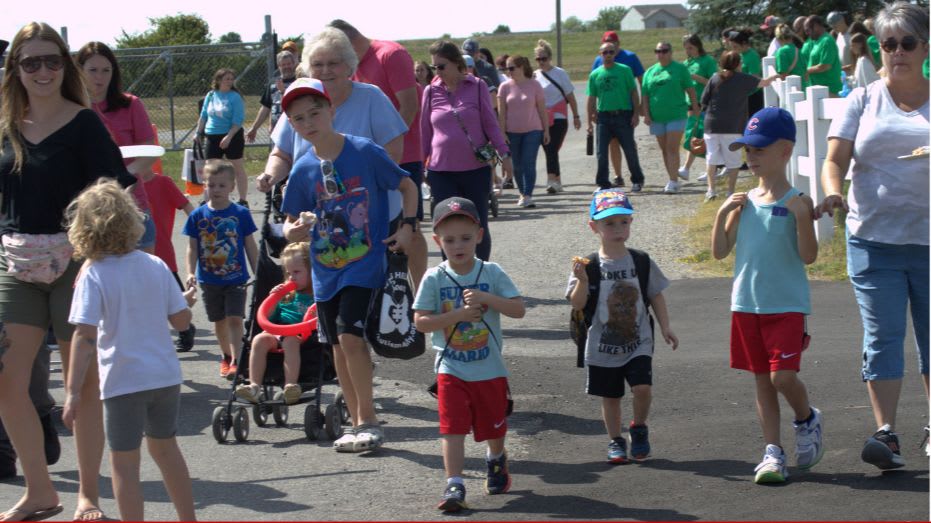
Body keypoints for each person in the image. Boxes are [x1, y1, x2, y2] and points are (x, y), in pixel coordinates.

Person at [0, 22, 135, 523]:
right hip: (15, 264)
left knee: (85, 385)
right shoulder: (5, 125)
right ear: (15, 69)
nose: (42, 71)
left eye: (52, 61)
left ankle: (87, 496)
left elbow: (115, 191)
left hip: (75, 265)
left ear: (65, 66)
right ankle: (40, 492)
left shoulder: (84, 124)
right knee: (7, 382)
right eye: (30, 62)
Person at [817, 1, 929, 469]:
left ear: (924, 47)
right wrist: (833, 191)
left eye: (908, 42)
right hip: (873, 241)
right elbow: (834, 160)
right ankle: (887, 434)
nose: (898, 51)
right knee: (882, 337)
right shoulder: (861, 100)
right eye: (889, 44)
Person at [279, 77, 418, 453]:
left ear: (331, 111)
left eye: (314, 113)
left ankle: (369, 420)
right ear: (291, 125)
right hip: (325, 272)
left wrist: (407, 227)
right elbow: (288, 223)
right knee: (337, 347)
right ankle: (356, 422)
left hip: (365, 264)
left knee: (351, 337)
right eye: (299, 119)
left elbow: (407, 186)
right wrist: (293, 230)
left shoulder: (364, 151)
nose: (309, 122)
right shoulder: (303, 169)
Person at [63, 180, 197, 521]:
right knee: (166, 450)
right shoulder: (155, 264)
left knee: (124, 462)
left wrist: (73, 392)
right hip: (164, 377)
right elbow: (181, 322)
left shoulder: (93, 274)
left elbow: (84, 336)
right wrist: (186, 301)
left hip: (123, 381)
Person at [711, 107, 823, 484]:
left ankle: (807, 418)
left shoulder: (798, 201)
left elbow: (809, 256)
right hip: (746, 304)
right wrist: (721, 214)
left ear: (785, 151)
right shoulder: (743, 201)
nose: (752, 156)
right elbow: (719, 251)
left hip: (786, 305)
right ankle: (773, 451)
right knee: (762, 380)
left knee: (782, 378)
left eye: (760, 148)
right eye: (748, 149)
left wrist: (802, 217)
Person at [413, 196, 525, 512]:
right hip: (450, 367)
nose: (458, 245)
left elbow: (518, 309)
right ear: (437, 241)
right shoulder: (434, 277)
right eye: (449, 240)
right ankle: (454, 484)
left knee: (493, 426)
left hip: (489, 367)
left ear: (479, 235)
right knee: (452, 427)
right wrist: (458, 315)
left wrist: (487, 298)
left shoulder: (491, 272)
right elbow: (421, 322)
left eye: (465, 237)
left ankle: (496, 458)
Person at [567, 189, 678, 464]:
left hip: (639, 340)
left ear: (631, 222)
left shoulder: (640, 260)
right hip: (602, 344)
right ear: (594, 226)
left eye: (623, 222)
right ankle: (615, 440)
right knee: (611, 396)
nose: (618, 228)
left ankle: (638, 428)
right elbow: (577, 303)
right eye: (609, 223)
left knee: (642, 388)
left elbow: (655, 295)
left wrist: (665, 327)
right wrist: (582, 281)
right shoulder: (589, 265)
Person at [328, 19, 430, 293]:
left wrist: (387, 151)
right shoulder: (354, 65)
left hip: (402, 156)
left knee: (410, 227)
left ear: (346, 42)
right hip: (368, 163)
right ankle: (387, 291)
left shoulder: (390, 54)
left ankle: (423, 292)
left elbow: (410, 106)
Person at [421, 41, 512, 261]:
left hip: (475, 169)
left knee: (477, 224)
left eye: (441, 66)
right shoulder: (430, 91)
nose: (437, 72)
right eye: (434, 67)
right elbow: (424, 132)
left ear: (456, 63)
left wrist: (505, 154)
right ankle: (451, 274)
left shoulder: (477, 85)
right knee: (446, 227)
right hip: (441, 172)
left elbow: (490, 124)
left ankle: (481, 273)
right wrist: (420, 166)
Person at [76, 42, 158, 255]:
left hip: (132, 205)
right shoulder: (71, 109)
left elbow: (150, 151)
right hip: (87, 211)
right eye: (93, 70)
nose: (100, 77)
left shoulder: (130, 104)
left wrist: (122, 178)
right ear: (79, 71)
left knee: (143, 272)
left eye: (106, 70)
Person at [183, 160, 258, 380]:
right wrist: (190, 272)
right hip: (209, 280)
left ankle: (237, 361)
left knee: (235, 318)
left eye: (221, 185)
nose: (216, 190)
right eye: (211, 185)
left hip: (236, 278)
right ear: (204, 185)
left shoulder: (241, 213)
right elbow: (192, 248)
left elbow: (250, 245)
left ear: (232, 187)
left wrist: (258, 270)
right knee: (219, 321)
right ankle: (226, 356)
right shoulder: (198, 216)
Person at [235, 241, 312, 406]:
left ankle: (290, 385)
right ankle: (254, 387)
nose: (291, 277)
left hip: (303, 334)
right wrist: (274, 299)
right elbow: (268, 318)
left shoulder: (318, 296)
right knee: (258, 340)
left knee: (290, 341)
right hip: (278, 329)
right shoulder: (287, 294)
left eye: (297, 272)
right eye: (288, 273)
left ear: (312, 272)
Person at [700, 51, 779, 201]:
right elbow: (763, 83)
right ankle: (730, 191)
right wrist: (775, 76)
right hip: (733, 126)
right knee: (733, 161)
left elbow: (704, 100)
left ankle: (711, 190)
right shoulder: (743, 78)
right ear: (737, 64)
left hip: (712, 125)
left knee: (711, 158)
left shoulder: (714, 78)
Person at [143, 171, 196, 351]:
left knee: (176, 294)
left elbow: (187, 206)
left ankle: (185, 329)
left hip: (162, 250)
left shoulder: (163, 182)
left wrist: (203, 227)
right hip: (136, 252)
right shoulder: (124, 184)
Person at [641, 41, 699, 194]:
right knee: (664, 150)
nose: (661, 54)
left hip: (676, 114)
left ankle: (673, 181)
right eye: (657, 51)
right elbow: (645, 95)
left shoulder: (680, 69)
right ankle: (673, 178)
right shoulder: (650, 71)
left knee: (671, 147)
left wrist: (695, 108)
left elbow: (690, 89)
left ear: (671, 52)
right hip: (657, 116)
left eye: (664, 51)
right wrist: (646, 114)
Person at [587, 41, 645, 193]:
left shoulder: (625, 70)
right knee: (601, 153)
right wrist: (589, 120)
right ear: (600, 55)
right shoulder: (595, 74)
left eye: (611, 52)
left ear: (615, 53)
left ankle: (637, 180)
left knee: (629, 150)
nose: (608, 55)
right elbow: (591, 97)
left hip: (623, 115)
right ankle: (603, 183)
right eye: (605, 52)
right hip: (603, 117)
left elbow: (633, 92)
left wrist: (636, 113)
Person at [498, 55, 548, 209]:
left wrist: (546, 130)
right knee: (517, 166)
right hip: (512, 132)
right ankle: (522, 193)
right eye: (506, 68)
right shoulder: (504, 87)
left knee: (528, 163)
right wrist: (502, 133)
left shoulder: (535, 85)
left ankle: (528, 195)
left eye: (511, 68)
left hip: (533, 130)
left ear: (521, 67)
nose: (508, 71)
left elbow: (542, 109)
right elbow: (501, 113)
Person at [194, 68, 249, 205]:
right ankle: (208, 200)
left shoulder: (235, 97)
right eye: (226, 79)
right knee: (210, 168)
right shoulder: (211, 95)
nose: (230, 82)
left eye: (231, 79)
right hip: (212, 135)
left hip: (232, 135)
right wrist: (198, 133)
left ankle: (243, 200)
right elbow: (203, 116)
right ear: (218, 80)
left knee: (237, 167)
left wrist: (229, 137)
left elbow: (238, 120)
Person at [533, 39, 580, 194]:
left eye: (544, 58)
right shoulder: (534, 76)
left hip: (559, 116)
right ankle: (557, 182)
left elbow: (570, 96)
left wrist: (576, 116)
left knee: (551, 147)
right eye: (538, 59)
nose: (541, 62)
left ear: (550, 57)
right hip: (541, 118)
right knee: (549, 150)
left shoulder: (560, 73)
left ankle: (551, 180)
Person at [679, 34, 717, 181]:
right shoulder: (686, 63)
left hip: (705, 103)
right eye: (686, 48)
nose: (688, 51)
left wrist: (695, 77)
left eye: (691, 47)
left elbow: (714, 82)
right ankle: (687, 168)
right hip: (690, 103)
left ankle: (710, 168)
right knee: (693, 136)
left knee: (700, 136)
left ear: (698, 46)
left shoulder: (708, 61)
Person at [246, 50, 298, 143]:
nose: (286, 67)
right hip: (276, 130)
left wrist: (283, 91)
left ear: (294, 64)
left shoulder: (299, 81)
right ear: (279, 66)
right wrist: (254, 128)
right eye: (283, 65)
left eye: (289, 64)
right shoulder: (273, 82)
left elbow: (298, 104)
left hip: (295, 128)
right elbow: (266, 107)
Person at [726, 29, 764, 117]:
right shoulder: (740, 54)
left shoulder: (752, 56)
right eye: (732, 47)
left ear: (744, 44)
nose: (733, 49)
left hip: (752, 97)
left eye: (735, 46)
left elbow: (754, 79)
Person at [804, 15, 843, 96]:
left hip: (829, 90)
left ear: (816, 26)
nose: (806, 33)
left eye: (808, 30)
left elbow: (825, 66)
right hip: (819, 90)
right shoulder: (816, 41)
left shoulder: (827, 41)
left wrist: (807, 71)